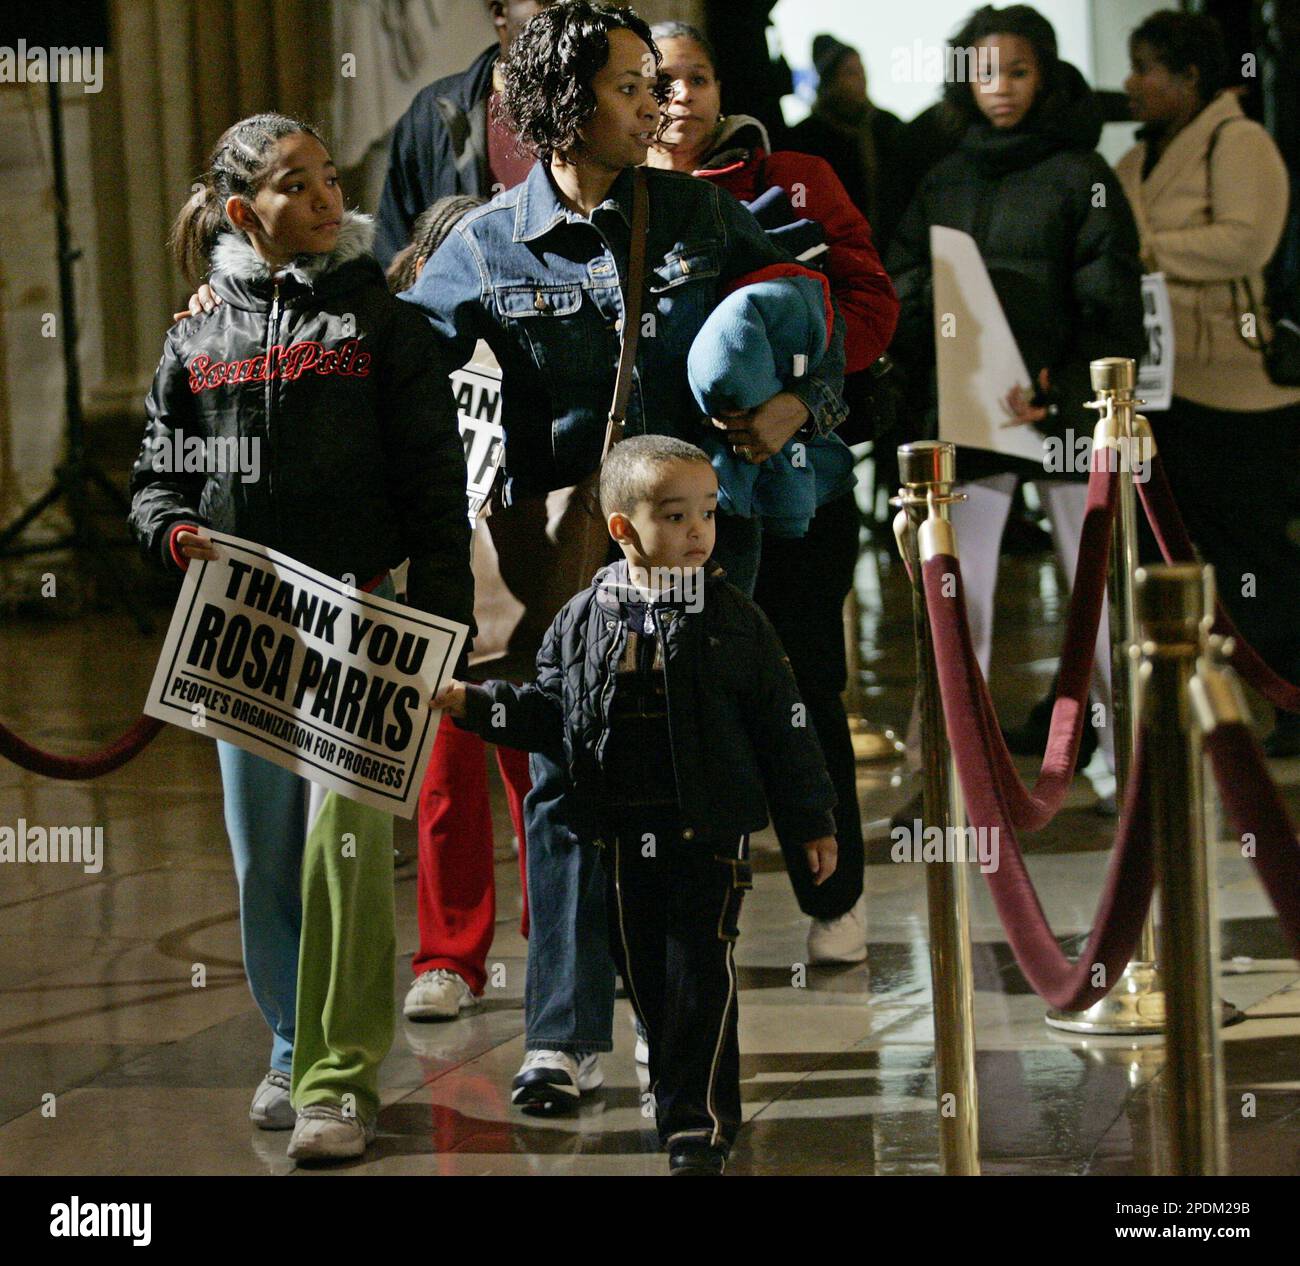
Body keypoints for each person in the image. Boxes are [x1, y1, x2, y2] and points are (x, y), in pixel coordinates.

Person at [401, 1, 848, 1112]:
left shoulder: (704, 215)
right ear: (561, 107)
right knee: (561, 779)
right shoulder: (485, 243)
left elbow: (824, 329)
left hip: (702, 544)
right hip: (559, 556)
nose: (654, 105)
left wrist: (802, 400)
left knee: (684, 779)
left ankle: (675, 1024)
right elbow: (394, 368)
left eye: (654, 83)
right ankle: (559, 1039)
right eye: (626, 87)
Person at [129, 114, 474, 1161]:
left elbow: (433, 488)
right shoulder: (196, 335)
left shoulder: (385, 326)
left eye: (329, 176)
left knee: (349, 848)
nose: (329, 198)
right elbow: (156, 478)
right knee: (265, 859)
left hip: (359, 615)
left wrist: (443, 627)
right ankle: (287, 1046)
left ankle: (339, 1079)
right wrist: (175, 531)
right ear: (245, 212)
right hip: (241, 624)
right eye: (296, 185)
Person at [434, 434, 838, 1176]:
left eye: (708, 514)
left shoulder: (734, 618)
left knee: (700, 973)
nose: (698, 532)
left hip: (706, 833)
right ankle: (673, 1082)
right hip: (619, 834)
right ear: (621, 528)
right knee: (647, 974)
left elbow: (784, 724)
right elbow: (548, 714)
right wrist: (476, 705)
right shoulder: (583, 618)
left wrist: (811, 818)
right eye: (676, 516)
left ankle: (697, 1126)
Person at [646, 19, 898, 963]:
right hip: (662, 505)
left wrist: (805, 401)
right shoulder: (606, 196)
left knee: (801, 684)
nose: (677, 99)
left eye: (696, 79)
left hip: (797, 484)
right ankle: (683, 925)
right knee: (673, 701)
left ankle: (833, 897)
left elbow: (869, 305)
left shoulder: (791, 176)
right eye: (654, 83)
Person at [887, 5, 1145, 795]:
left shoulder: (1082, 174)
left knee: (1093, 595)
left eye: (1020, 70)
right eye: (985, 70)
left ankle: (1122, 764)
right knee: (960, 598)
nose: (1000, 87)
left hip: (1063, 413)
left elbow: (1113, 306)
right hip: (968, 411)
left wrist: (1063, 387)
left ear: (1048, 74)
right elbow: (895, 282)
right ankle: (952, 773)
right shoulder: (943, 172)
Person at [1118, 8, 1300, 757]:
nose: (1131, 83)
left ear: (1191, 77)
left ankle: (1289, 693)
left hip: (1236, 384)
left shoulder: (1238, 139)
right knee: (1178, 548)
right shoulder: (1136, 160)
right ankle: (1204, 698)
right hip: (1165, 386)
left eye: (1147, 68)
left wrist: (1150, 248)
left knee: (1252, 549)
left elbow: (1244, 241)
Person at [386, 197, 536, 1022]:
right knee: (445, 785)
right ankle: (449, 956)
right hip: (437, 592)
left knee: (536, 778)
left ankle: (554, 936)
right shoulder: (400, 341)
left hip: (521, 584)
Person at [374, 0, 558, 267]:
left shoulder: (595, 110)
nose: (565, 9)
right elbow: (392, 246)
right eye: (546, 1)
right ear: (499, 13)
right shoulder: (433, 115)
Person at [787, 33, 915, 255]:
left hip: (890, 245)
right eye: (850, 73)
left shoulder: (887, 127)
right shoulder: (806, 137)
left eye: (861, 71)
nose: (861, 79)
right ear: (831, 81)